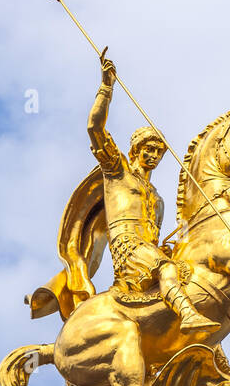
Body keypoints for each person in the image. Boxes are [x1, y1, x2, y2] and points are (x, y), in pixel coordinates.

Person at [88, 54, 213, 333]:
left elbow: (155, 236)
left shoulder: (158, 199)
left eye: (159, 151)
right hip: (128, 250)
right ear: (135, 150)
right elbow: (95, 129)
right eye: (149, 149)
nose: (154, 155)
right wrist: (106, 89)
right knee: (167, 269)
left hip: (149, 251)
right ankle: (188, 317)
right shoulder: (117, 171)